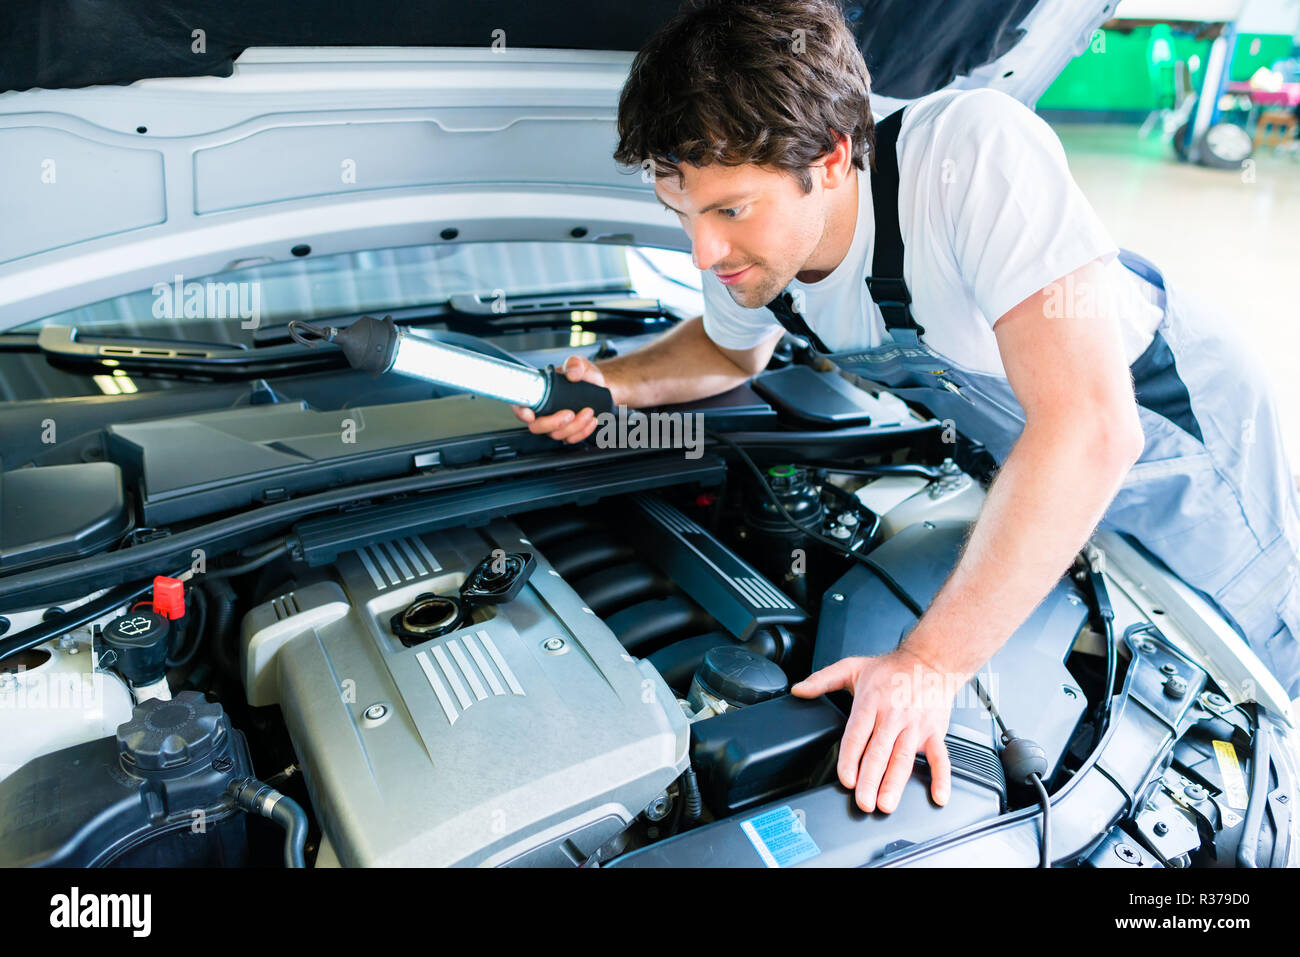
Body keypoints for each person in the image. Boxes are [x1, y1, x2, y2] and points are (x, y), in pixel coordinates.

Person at [512, 0, 1300, 815]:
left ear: (830, 159)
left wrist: (930, 663)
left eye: (730, 211)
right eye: (684, 213)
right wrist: (617, 381)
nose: (703, 253)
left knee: (1255, 671)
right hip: (1040, 455)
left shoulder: (971, 156)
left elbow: (1092, 428)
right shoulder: (759, 255)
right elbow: (726, 349)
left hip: (1182, 451)